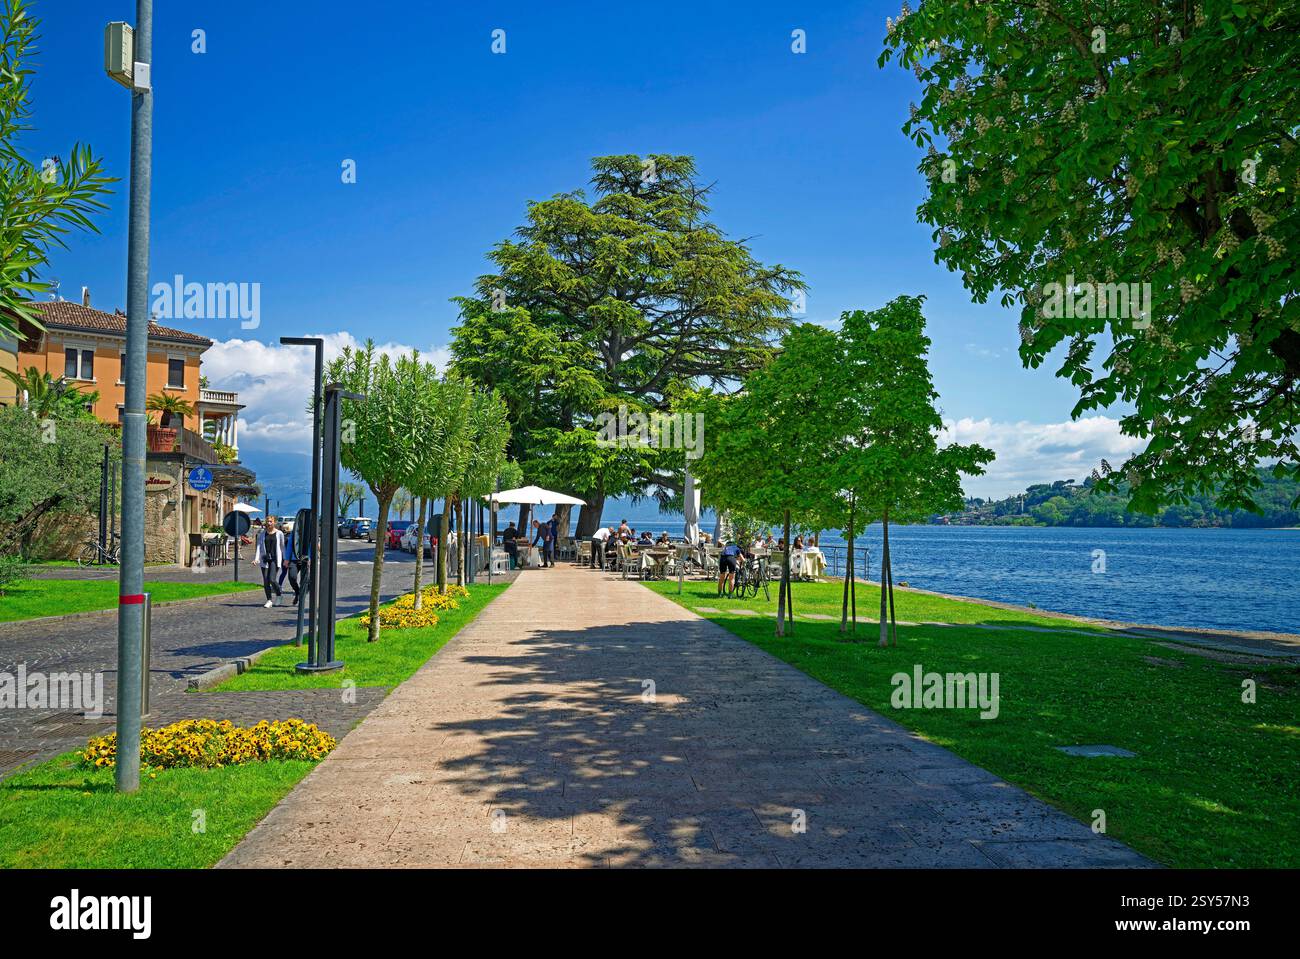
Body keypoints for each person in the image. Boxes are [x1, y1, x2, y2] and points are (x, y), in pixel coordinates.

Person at [254, 515, 287, 608]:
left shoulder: (279, 533)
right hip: (265, 559)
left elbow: (282, 547)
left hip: (275, 559)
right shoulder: (262, 534)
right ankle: (269, 600)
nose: (269, 523)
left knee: (272, 579)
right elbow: (259, 547)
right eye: (267, 521)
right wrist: (256, 559)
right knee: (265, 580)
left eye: (270, 521)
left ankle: (279, 594)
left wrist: (285, 559)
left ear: (274, 522)